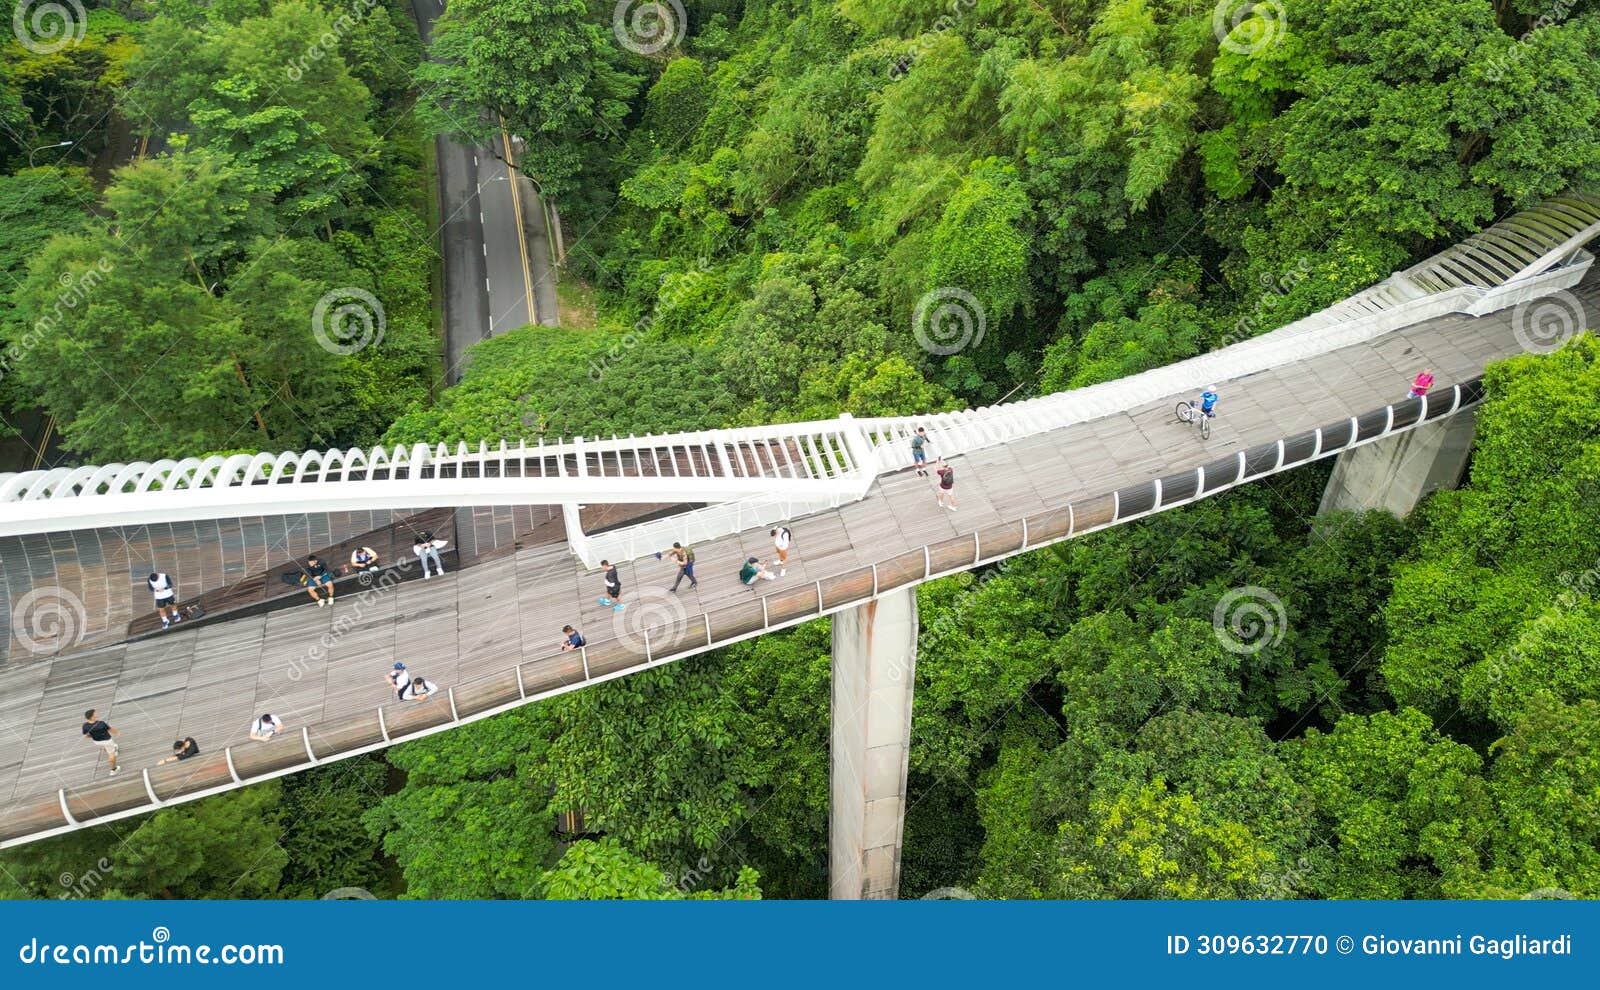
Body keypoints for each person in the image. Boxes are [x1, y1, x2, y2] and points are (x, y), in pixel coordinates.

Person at [80, 709, 119, 775]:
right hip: (107, 741)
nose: (97, 714)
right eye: (95, 713)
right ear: (92, 717)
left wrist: (94, 736)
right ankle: (114, 770)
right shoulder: (101, 723)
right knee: (112, 755)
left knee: (106, 747)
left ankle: (108, 749)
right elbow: (111, 729)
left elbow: (86, 736)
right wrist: (117, 732)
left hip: (97, 742)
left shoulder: (85, 726)